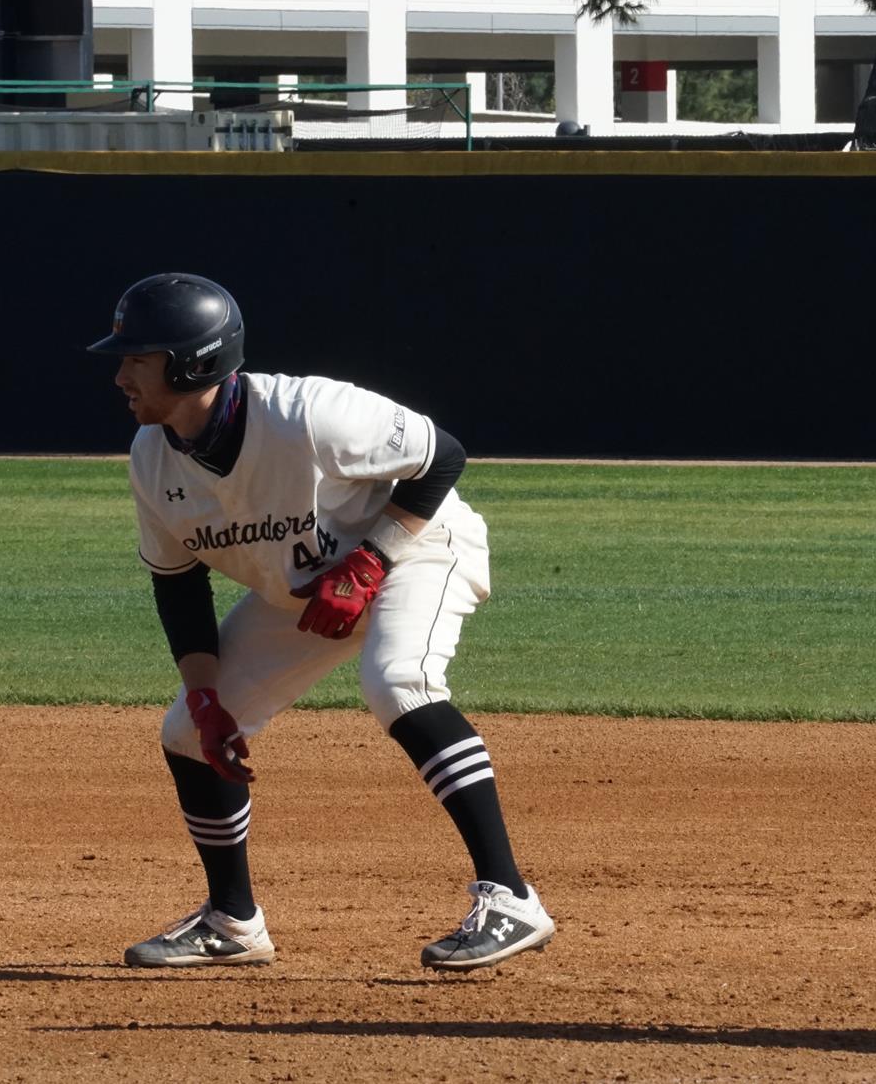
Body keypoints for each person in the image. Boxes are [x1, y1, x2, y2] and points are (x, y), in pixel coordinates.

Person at [88, 272, 555, 972]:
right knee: (186, 730)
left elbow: (443, 455)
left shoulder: (308, 413)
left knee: (398, 681)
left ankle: (512, 896)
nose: (121, 373)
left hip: (417, 547)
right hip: (305, 591)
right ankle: (233, 921)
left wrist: (372, 561)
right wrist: (209, 697)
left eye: (137, 358)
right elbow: (178, 586)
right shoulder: (152, 461)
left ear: (193, 364)